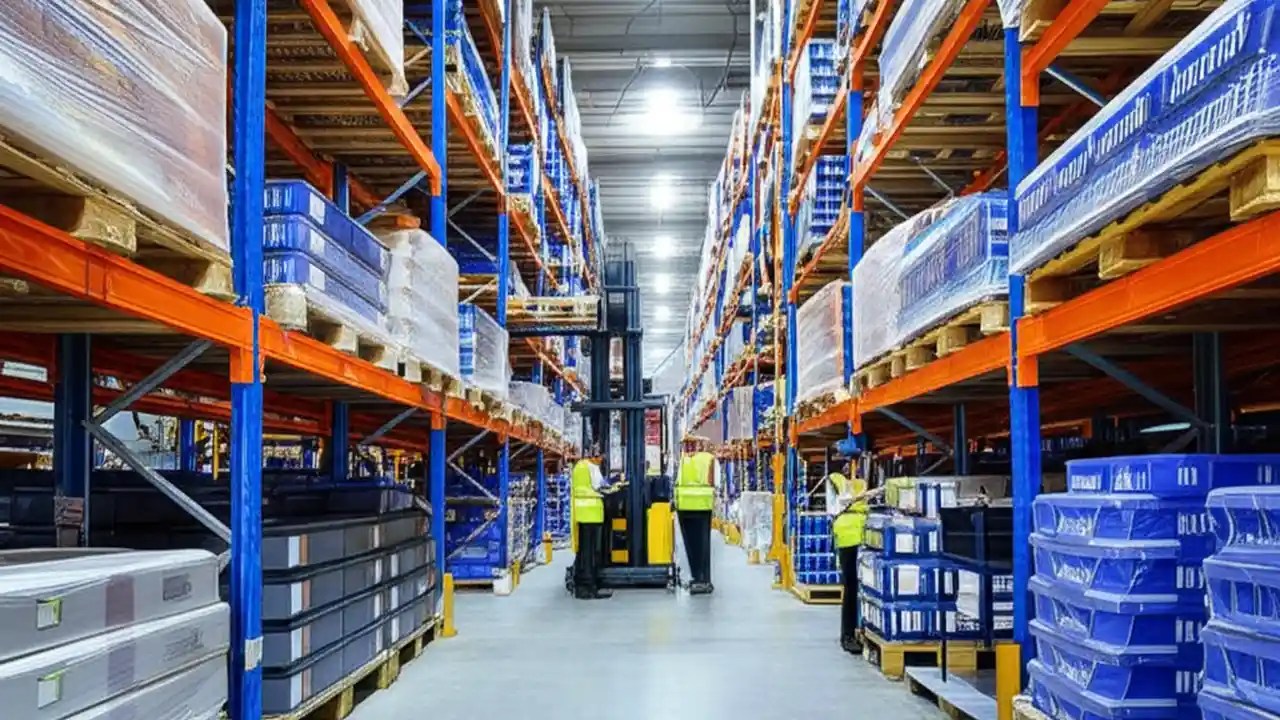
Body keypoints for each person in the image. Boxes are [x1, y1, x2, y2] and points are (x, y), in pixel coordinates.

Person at [828, 464, 880, 654]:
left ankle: (859, 630)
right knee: (851, 587)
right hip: (849, 537)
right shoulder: (835, 480)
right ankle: (847, 635)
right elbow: (839, 503)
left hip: (863, 534)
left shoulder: (859, 482)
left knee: (863, 587)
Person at [676, 439, 719, 594]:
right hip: (703, 504)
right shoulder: (709, 459)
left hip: (685, 505)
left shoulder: (683, 460)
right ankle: (704, 579)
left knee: (690, 545)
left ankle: (695, 576)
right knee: (703, 544)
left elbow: (678, 481)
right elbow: (713, 481)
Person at [571, 447, 612, 599]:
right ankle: (588, 586)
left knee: (583, 551)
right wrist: (612, 485)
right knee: (591, 552)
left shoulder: (579, 467)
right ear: (595, 456)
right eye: (600, 457)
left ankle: (582, 583)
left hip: (582, 514)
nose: (601, 460)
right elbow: (600, 486)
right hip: (591, 514)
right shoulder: (592, 468)